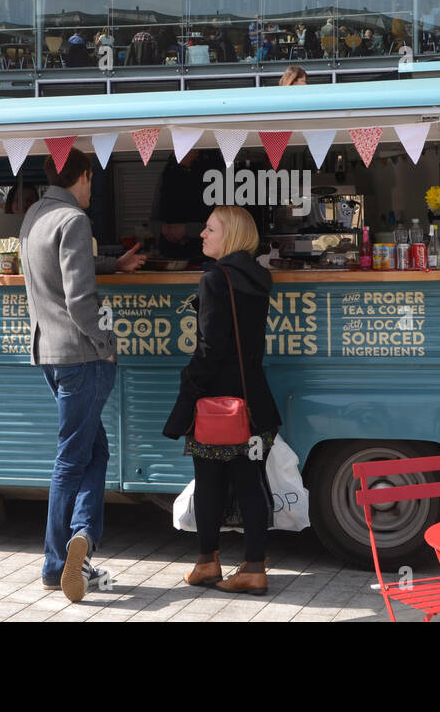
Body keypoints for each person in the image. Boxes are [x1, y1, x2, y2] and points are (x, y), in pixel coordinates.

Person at [19, 147, 145, 603]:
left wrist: (114, 264)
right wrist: (108, 345)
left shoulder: (35, 213)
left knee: (91, 451)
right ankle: (62, 558)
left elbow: (51, 275)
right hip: (82, 357)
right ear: (85, 176)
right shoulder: (74, 221)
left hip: (48, 354)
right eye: (93, 179)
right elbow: (79, 301)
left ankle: (79, 545)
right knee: (74, 458)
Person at [163, 206, 280, 593]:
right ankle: (254, 565)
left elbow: (210, 349)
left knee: (209, 483)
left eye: (210, 229)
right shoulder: (258, 278)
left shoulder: (215, 279)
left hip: (217, 404)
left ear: (228, 235)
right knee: (249, 482)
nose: (202, 235)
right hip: (254, 400)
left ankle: (207, 562)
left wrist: (188, 383)